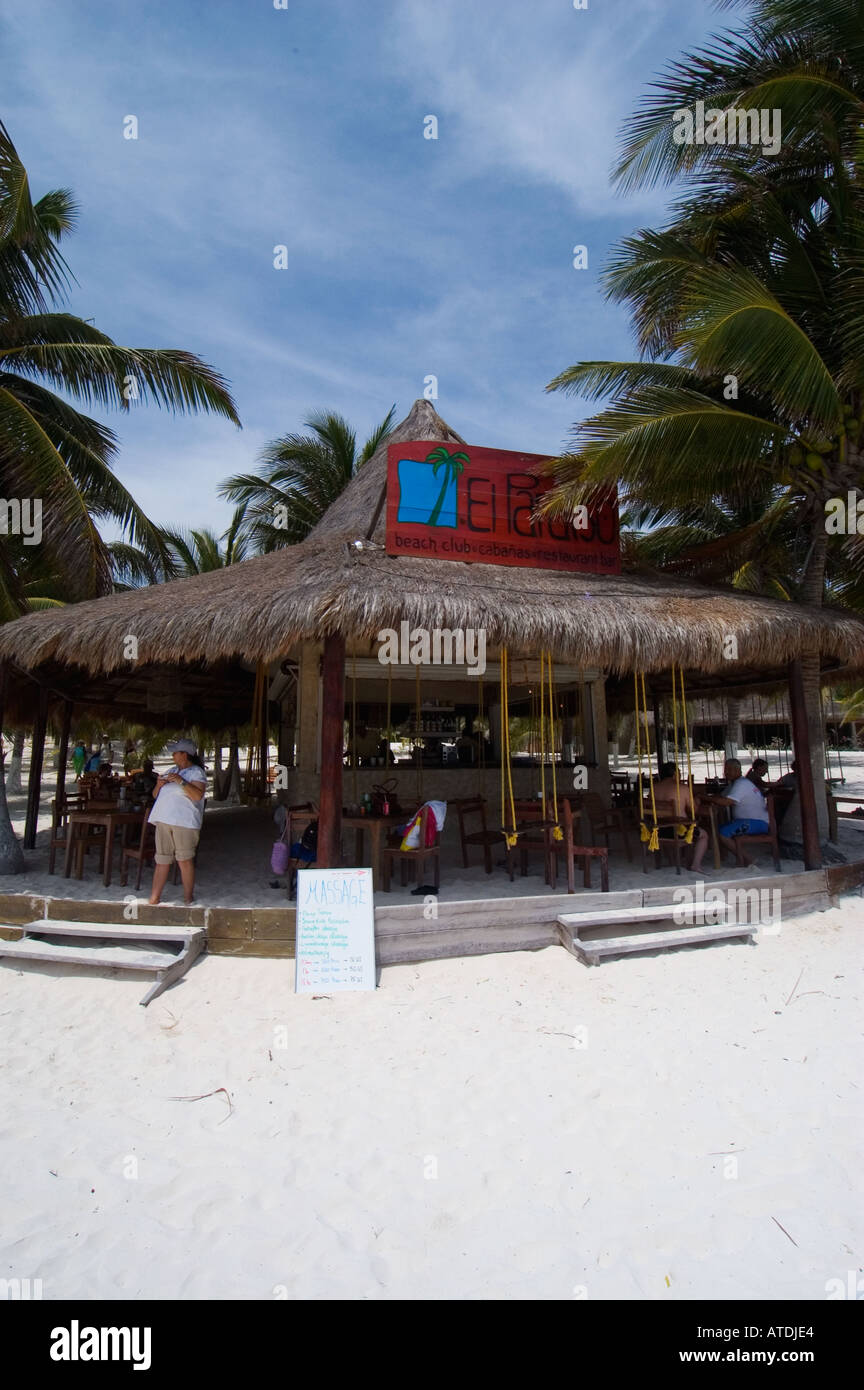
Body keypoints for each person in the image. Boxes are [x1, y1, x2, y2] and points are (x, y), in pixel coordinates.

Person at [147, 739, 207, 905]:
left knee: (184, 859)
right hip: (164, 819)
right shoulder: (171, 770)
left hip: (184, 821)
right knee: (161, 860)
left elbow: (197, 796)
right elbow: (155, 795)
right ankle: (154, 897)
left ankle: (188, 897)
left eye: (175, 752)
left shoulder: (196, 773)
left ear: (184, 755)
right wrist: (159, 785)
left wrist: (181, 781)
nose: (172, 755)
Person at [707, 757, 769, 864]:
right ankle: (725, 857)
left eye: (729, 769)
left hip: (757, 822)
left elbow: (726, 802)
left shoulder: (741, 784)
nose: (726, 772)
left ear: (738, 771)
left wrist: (704, 798)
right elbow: (720, 797)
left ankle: (749, 859)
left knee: (723, 833)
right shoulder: (734, 784)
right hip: (747, 821)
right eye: (725, 769)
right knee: (716, 830)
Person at [652, 762, 710, 873]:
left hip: (659, 830)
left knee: (672, 824)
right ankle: (696, 865)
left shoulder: (654, 788)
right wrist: (696, 801)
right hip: (679, 831)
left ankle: (673, 861)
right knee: (703, 835)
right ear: (675, 774)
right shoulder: (682, 788)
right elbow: (694, 810)